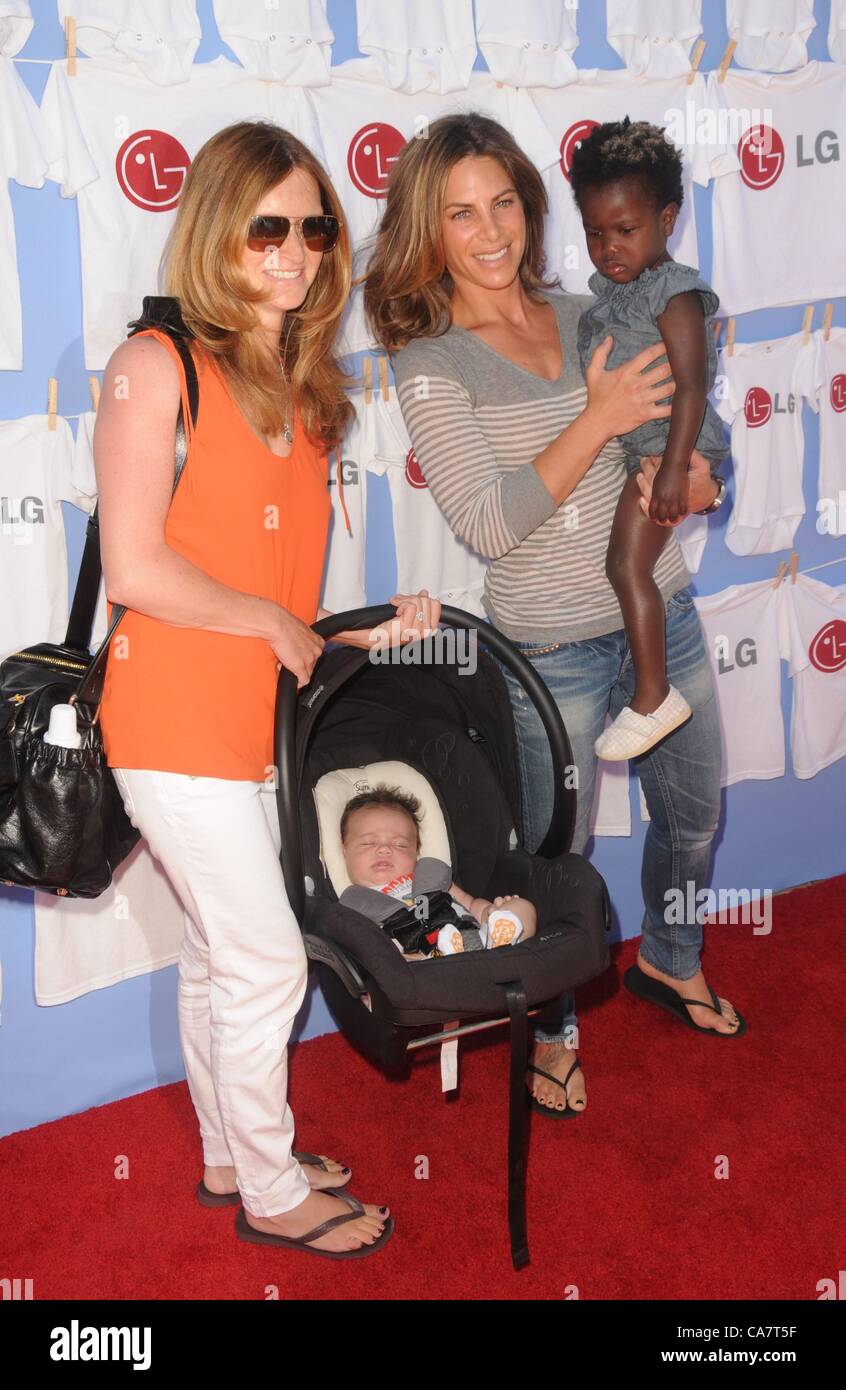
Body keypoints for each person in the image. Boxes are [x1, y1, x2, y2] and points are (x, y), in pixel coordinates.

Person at [94, 120, 441, 1259]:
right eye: (266, 229)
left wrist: (368, 626)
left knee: (215, 955)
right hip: (167, 720)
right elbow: (138, 567)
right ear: (215, 232)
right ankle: (273, 1189)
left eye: (314, 227)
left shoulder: (296, 384)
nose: (295, 253)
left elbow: (280, 595)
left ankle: (227, 1150)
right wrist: (271, 621)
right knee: (267, 959)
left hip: (251, 725)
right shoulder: (158, 367)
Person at [363, 112, 745, 1120]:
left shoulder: (593, 308)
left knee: (695, 818)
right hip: (551, 656)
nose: (492, 233)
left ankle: (670, 957)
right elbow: (488, 522)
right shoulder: (429, 359)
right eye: (461, 214)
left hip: (664, 611)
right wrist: (599, 419)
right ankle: (554, 1027)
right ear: (427, 230)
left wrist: (705, 477)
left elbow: (693, 431)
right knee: (550, 861)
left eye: (505, 204)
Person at [572, 118, 730, 760]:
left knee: (626, 564)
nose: (608, 247)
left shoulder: (674, 293)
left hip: (678, 450)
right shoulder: (615, 292)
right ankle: (652, 690)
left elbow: (691, 386)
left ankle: (652, 695)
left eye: (626, 230)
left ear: (667, 219)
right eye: (594, 232)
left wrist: (673, 472)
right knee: (624, 564)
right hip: (650, 452)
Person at [338, 785, 536, 956]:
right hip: (421, 960)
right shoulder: (356, 906)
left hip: (476, 938)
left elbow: (471, 903)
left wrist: (491, 912)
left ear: (416, 852)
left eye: (399, 845)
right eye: (368, 843)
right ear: (345, 850)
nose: (384, 849)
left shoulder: (429, 879)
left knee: (523, 907)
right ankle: (444, 953)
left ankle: (500, 937)